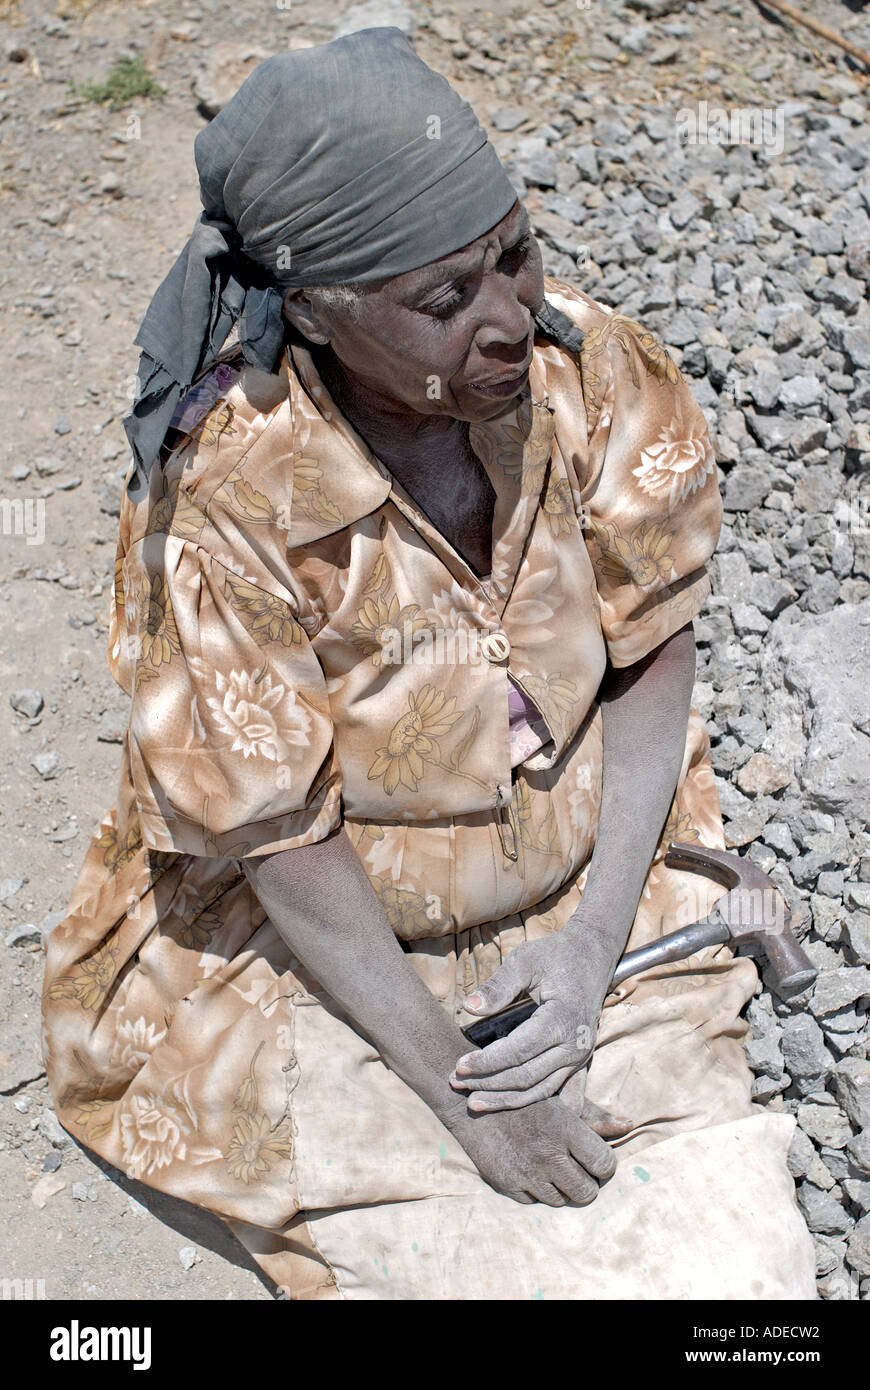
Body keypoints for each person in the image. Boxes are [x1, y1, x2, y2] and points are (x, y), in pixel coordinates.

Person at [41, 27, 816, 1300]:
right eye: (445, 300)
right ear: (324, 311)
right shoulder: (232, 498)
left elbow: (649, 653)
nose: (510, 318)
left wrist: (589, 949)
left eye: (515, 254)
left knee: (738, 1277)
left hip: (589, 875)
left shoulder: (592, 369)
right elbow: (279, 836)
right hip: (329, 947)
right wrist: (464, 1096)